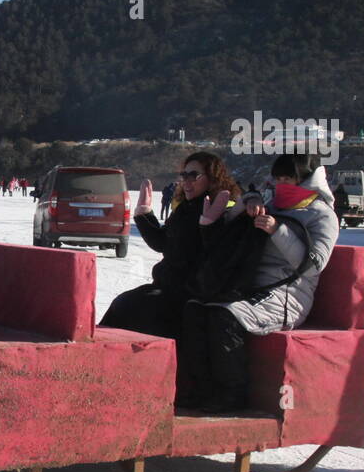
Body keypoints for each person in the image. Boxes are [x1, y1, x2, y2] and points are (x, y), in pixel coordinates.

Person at [179, 153, 339, 412]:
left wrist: (278, 230)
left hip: (288, 292)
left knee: (225, 317)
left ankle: (233, 394)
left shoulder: (322, 215)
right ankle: (200, 389)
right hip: (249, 284)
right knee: (195, 308)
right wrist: (247, 201)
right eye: (277, 178)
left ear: (305, 179)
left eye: (288, 178)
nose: (281, 183)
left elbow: (315, 265)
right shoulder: (273, 202)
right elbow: (229, 224)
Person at [100, 152, 242, 340]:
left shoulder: (221, 208)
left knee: (136, 309)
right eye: (184, 176)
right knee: (124, 304)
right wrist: (144, 216)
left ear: (212, 178)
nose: (187, 181)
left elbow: (218, 257)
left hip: (192, 294)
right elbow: (163, 244)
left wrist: (211, 226)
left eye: (194, 175)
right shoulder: (185, 208)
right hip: (168, 286)